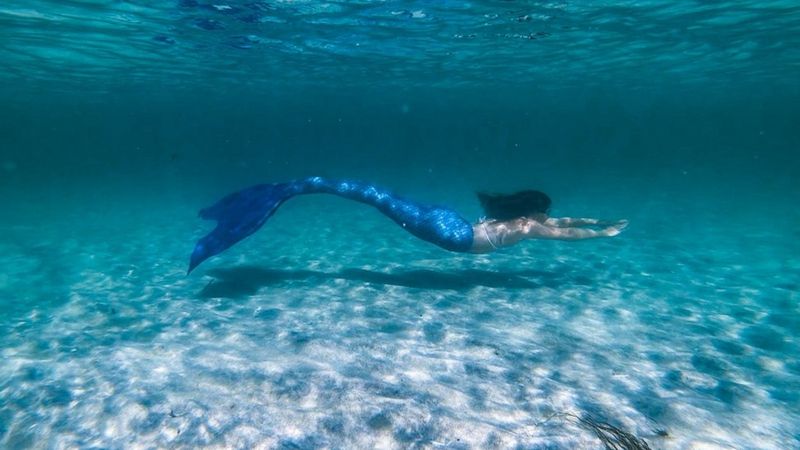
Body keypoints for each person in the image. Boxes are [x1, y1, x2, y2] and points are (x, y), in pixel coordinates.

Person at [188, 177, 627, 273]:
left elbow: (564, 221)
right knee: (374, 198)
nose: (548, 219)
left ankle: (304, 184)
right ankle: (300, 185)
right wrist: (602, 234)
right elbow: (564, 234)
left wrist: (600, 220)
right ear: (535, 211)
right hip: (454, 235)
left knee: (377, 196)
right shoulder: (530, 227)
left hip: (452, 221)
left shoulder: (522, 217)